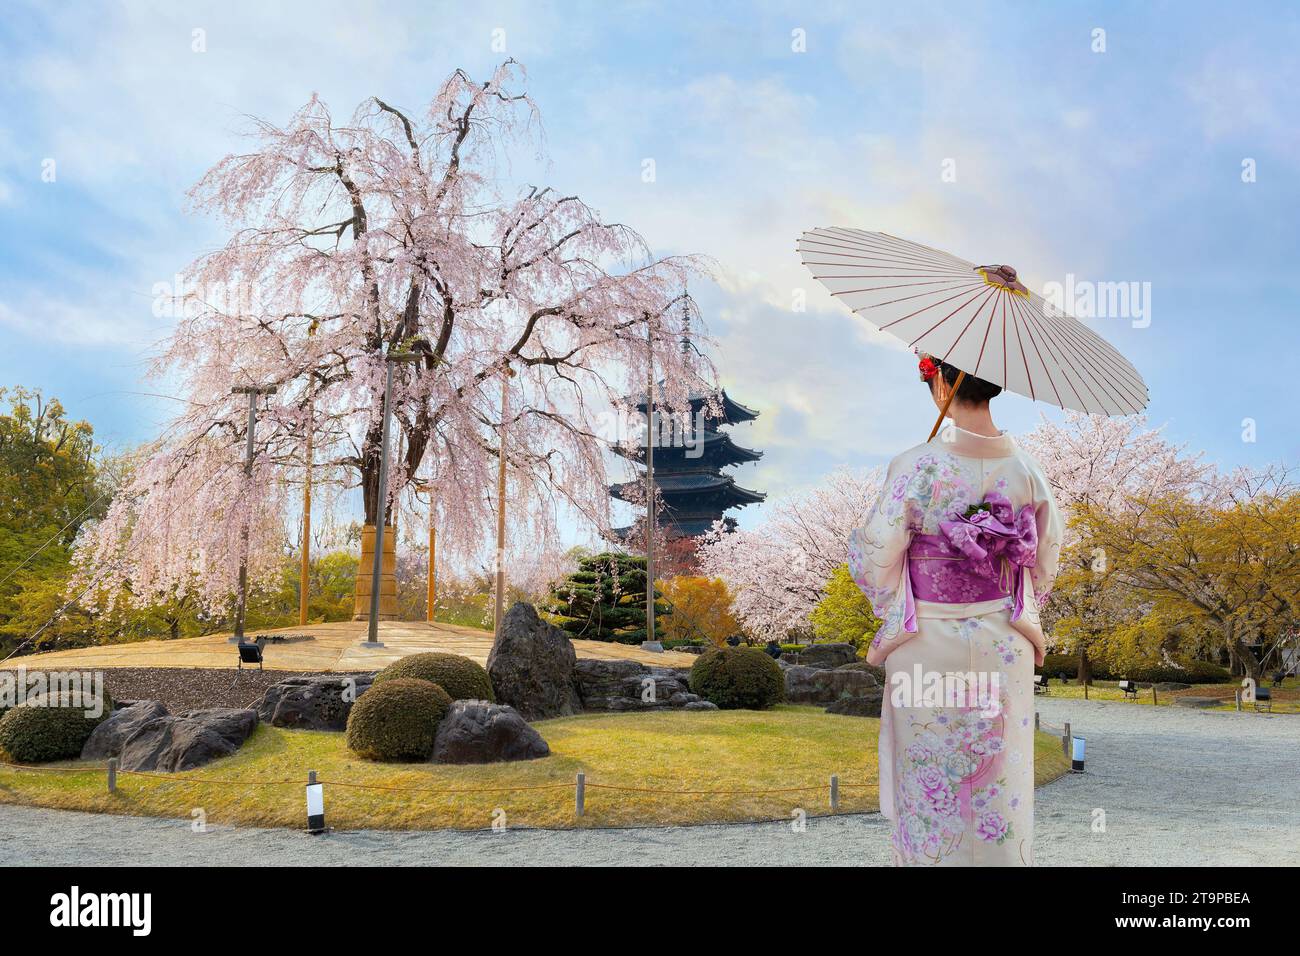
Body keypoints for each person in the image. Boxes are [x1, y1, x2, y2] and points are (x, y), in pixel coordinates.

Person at [849, 353, 1063, 866]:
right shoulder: (1028, 471)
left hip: (926, 639)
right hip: (1001, 639)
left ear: (943, 382)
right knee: (1000, 776)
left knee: (928, 775)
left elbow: (874, 558)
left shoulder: (916, 465)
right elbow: (1045, 566)